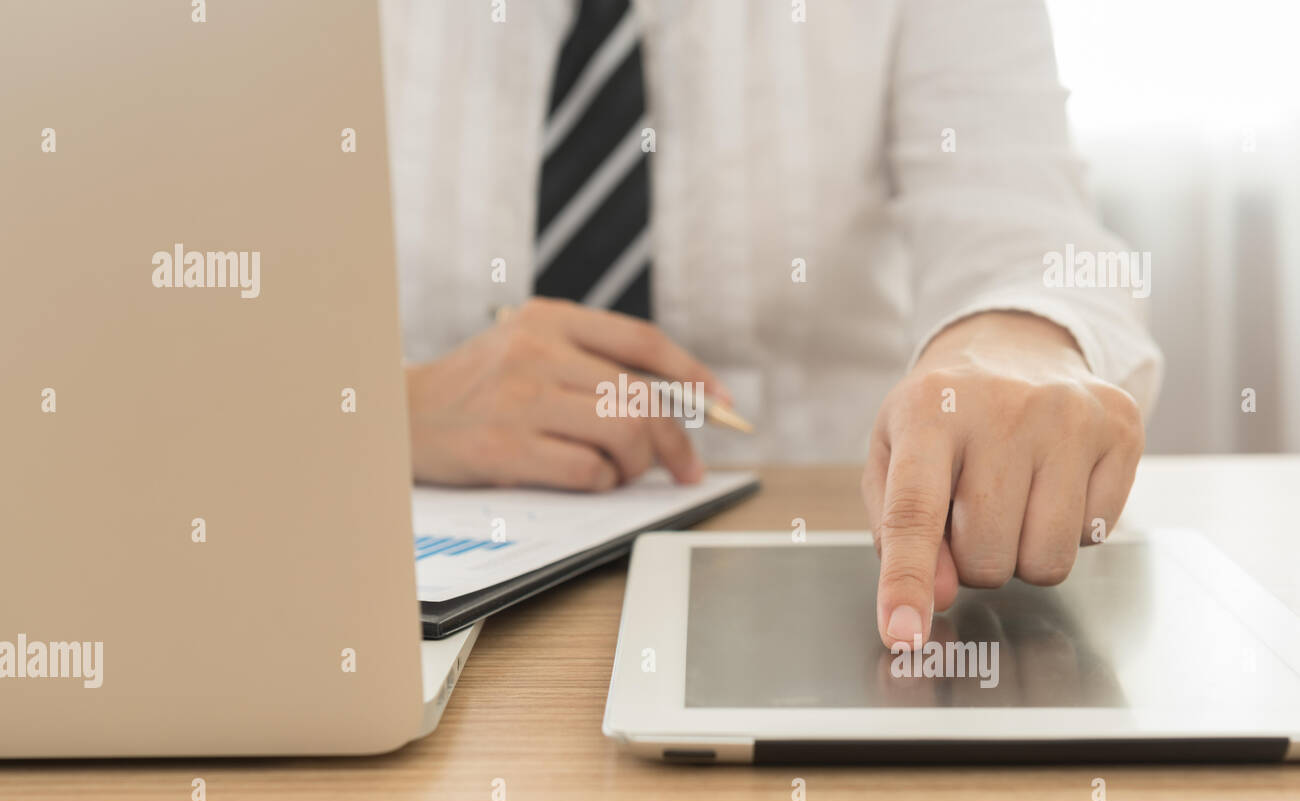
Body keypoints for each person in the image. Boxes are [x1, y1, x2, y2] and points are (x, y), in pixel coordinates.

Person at [381, 0, 1163, 649]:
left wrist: (1010, 345)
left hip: (836, 584)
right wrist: (393, 406)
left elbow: (1023, 229)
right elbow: (261, 299)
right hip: (431, 584)